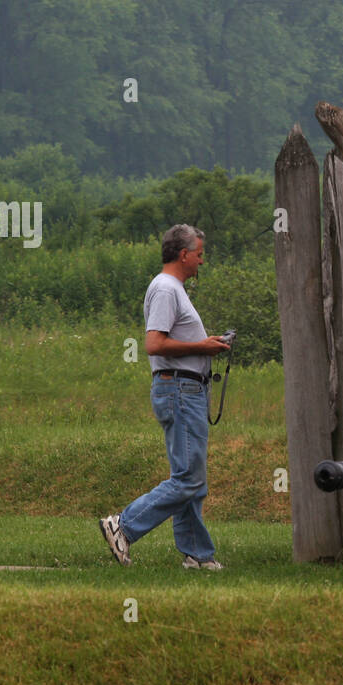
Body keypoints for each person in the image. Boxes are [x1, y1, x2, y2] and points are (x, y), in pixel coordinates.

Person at [99, 223, 231, 570]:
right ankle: (123, 526)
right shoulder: (165, 289)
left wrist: (206, 346)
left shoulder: (173, 289)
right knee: (189, 477)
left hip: (186, 389)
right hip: (179, 390)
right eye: (200, 254)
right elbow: (154, 343)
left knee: (190, 477)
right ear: (184, 254)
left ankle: (196, 554)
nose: (202, 262)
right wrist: (202, 346)